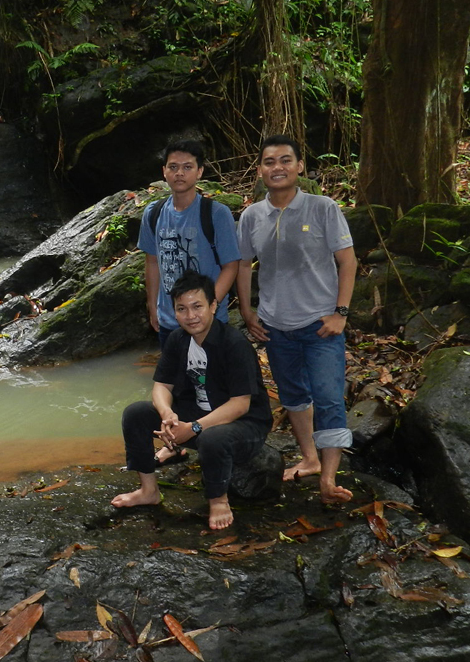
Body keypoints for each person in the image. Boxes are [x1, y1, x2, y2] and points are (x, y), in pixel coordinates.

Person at [235, 135, 357, 504]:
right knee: (292, 395)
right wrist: (246, 310)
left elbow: (348, 262)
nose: (278, 168)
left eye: (285, 160)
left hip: (320, 325)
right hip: (275, 325)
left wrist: (341, 313)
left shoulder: (322, 207)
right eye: (270, 162)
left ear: (300, 166)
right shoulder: (253, 215)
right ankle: (309, 459)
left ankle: (330, 478)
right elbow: (243, 263)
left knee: (329, 396)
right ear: (260, 171)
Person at [112, 271, 272, 530]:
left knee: (212, 436)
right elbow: (162, 385)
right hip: (196, 413)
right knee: (136, 413)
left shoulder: (233, 343)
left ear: (213, 306)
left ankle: (218, 501)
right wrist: (167, 414)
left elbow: (241, 404)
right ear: (174, 312)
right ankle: (148, 490)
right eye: (182, 309)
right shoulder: (178, 340)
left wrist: (194, 427)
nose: (190, 316)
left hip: (245, 424)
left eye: (197, 307)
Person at [138, 139, 241, 347]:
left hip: (208, 323)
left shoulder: (216, 214)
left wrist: (211, 306)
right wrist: (153, 307)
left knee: (210, 379)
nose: (179, 173)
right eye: (173, 167)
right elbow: (152, 262)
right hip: (170, 321)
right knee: (174, 379)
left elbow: (231, 266)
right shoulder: (153, 213)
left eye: (187, 167)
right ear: (164, 171)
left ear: (200, 172)